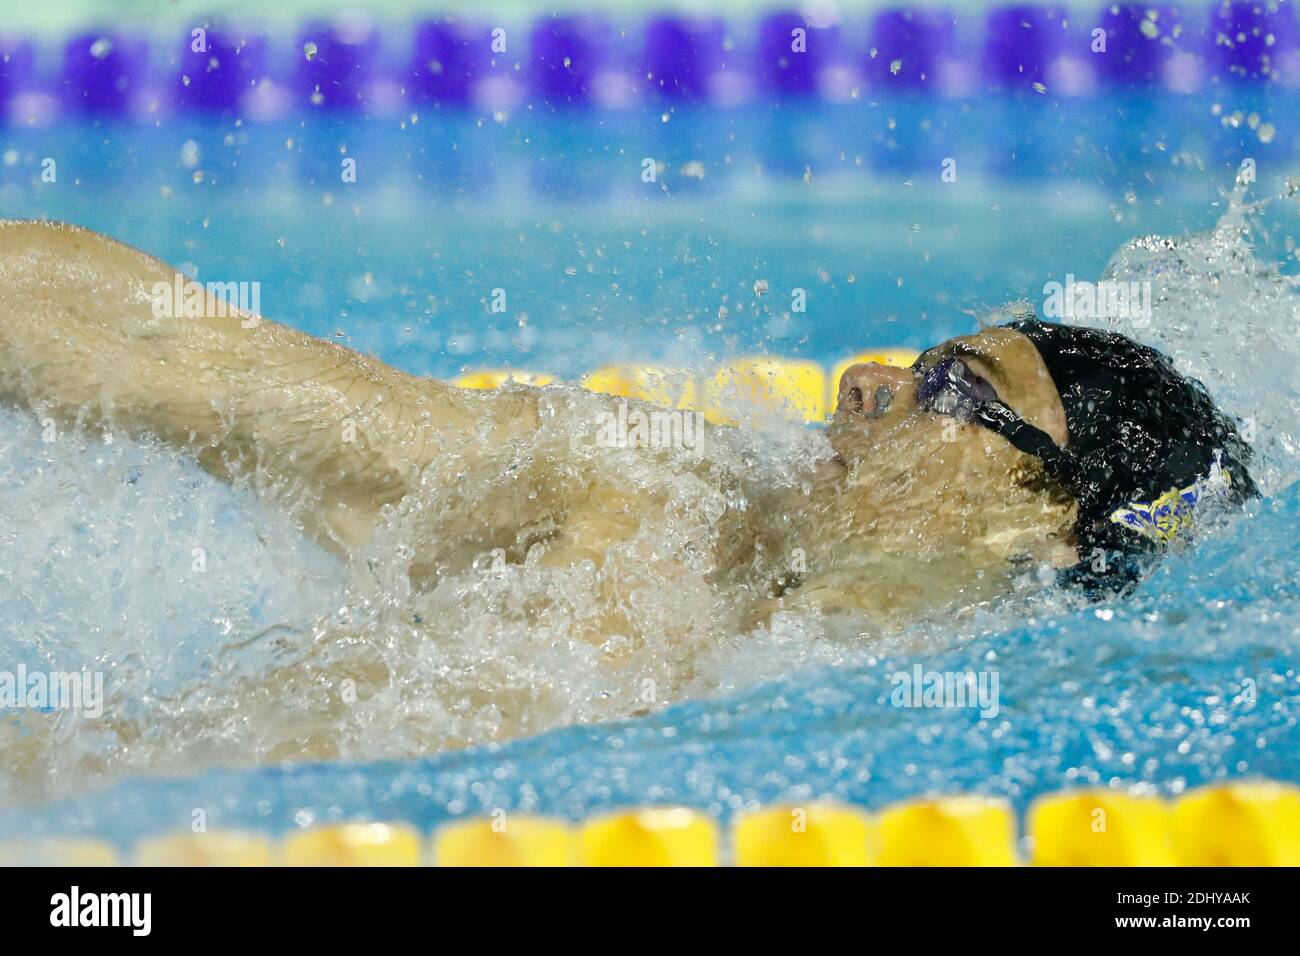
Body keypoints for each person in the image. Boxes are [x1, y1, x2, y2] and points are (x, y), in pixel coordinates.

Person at [0, 219, 1257, 632]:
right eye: (920, 358)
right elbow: (197, 364)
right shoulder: (651, 493)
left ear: (1044, 515)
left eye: (951, 387)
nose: (867, 378)